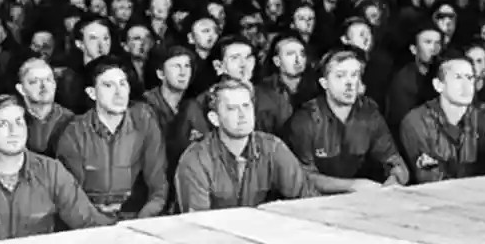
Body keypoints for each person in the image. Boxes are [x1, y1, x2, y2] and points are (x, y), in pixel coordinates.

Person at [0, 94, 114, 243]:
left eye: (19, 122)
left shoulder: (51, 172)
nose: (14, 131)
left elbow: (89, 223)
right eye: (3, 124)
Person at [174, 77, 315, 212]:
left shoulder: (272, 148)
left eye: (246, 106)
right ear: (215, 119)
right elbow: (198, 224)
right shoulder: (196, 160)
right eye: (232, 109)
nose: (242, 115)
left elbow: (307, 201)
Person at [54, 55, 167, 219]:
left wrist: (141, 223)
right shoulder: (73, 133)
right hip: (88, 223)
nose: (119, 93)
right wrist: (103, 225)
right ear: (92, 93)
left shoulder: (144, 122)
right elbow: (71, 199)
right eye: (108, 86)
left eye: (123, 84)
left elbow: (159, 187)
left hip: (134, 219)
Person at [284, 47, 408, 193]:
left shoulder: (369, 112)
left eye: (354, 75)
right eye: (340, 76)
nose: (349, 83)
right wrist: (353, 186)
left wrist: (392, 183)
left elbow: (396, 163)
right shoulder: (305, 120)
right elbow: (304, 177)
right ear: (324, 83)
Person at [399, 51, 485, 184]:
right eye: (458, 77)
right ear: (438, 85)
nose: (466, 86)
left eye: (470, 78)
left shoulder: (484, 118)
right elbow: (429, 176)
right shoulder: (416, 121)